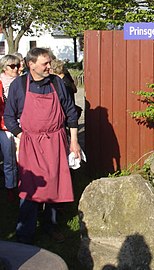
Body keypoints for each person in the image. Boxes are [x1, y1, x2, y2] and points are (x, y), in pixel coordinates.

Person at [4, 47, 81, 244]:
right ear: (31, 65)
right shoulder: (19, 86)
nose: (49, 66)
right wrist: (22, 136)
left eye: (49, 62)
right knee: (30, 185)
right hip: (31, 142)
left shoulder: (57, 83)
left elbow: (71, 113)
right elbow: (9, 117)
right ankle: (25, 232)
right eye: (45, 63)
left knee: (55, 183)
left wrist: (73, 142)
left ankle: (51, 225)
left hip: (56, 140)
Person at [0, 54, 20, 202]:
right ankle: (10, 188)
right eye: (12, 66)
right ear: (4, 68)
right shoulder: (0, 83)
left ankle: (24, 186)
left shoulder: (23, 81)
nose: (16, 69)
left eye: (18, 65)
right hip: (4, 126)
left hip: (22, 124)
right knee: (9, 159)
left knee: (23, 158)